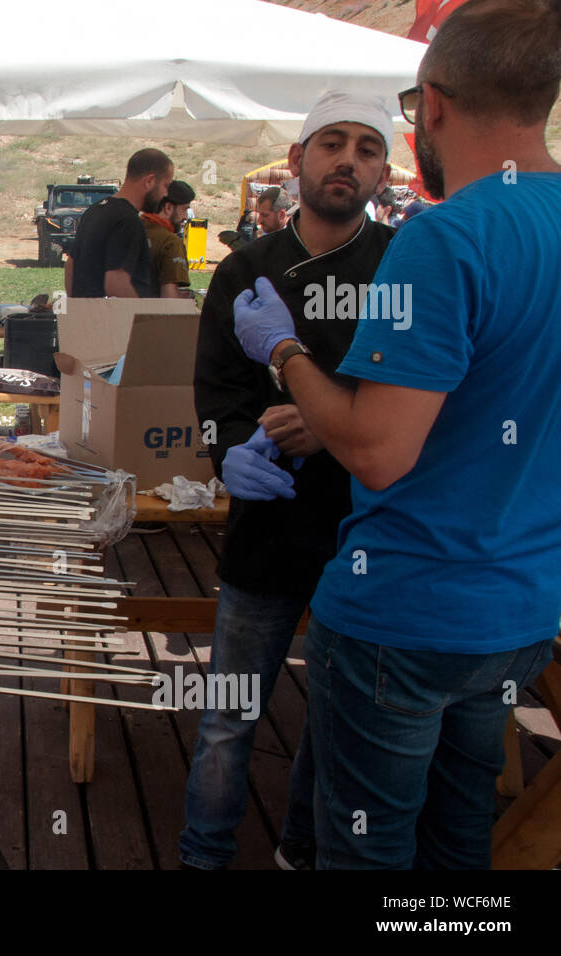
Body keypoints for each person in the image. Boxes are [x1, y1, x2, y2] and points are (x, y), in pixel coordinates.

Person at [231, 0, 561, 869]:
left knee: (365, 852)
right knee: (457, 845)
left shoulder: (446, 238)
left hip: (405, 613)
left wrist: (287, 353)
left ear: (434, 107)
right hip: (520, 611)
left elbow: (379, 451)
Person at [183, 90, 397, 871]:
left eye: (367, 148)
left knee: (338, 721)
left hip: (365, 533)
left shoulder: (404, 268)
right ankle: (202, 856)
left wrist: (332, 419)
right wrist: (230, 447)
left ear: (382, 171)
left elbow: (417, 392)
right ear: (298, 160)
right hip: (267, 530)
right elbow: (217, 392)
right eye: (331, 143)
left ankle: (300, 852)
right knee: (228, 716)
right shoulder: (244, 271)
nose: (348, 160)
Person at [64, 148, 173, 298]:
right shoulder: (128, 221)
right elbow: (116, 283)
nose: (166, 194)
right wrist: (144, 317)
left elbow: (70, 266)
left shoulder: (95, 210)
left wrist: (78, 308)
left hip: (87, 317)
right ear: (149, 181)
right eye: (165, 186)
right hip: (115, 319)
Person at [140, 179, 196, 299]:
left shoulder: (129, 230)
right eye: (184, 209)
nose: (185, 217)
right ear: (168, 207)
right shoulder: (170, 243)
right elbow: (169, 298)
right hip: (151, 315)